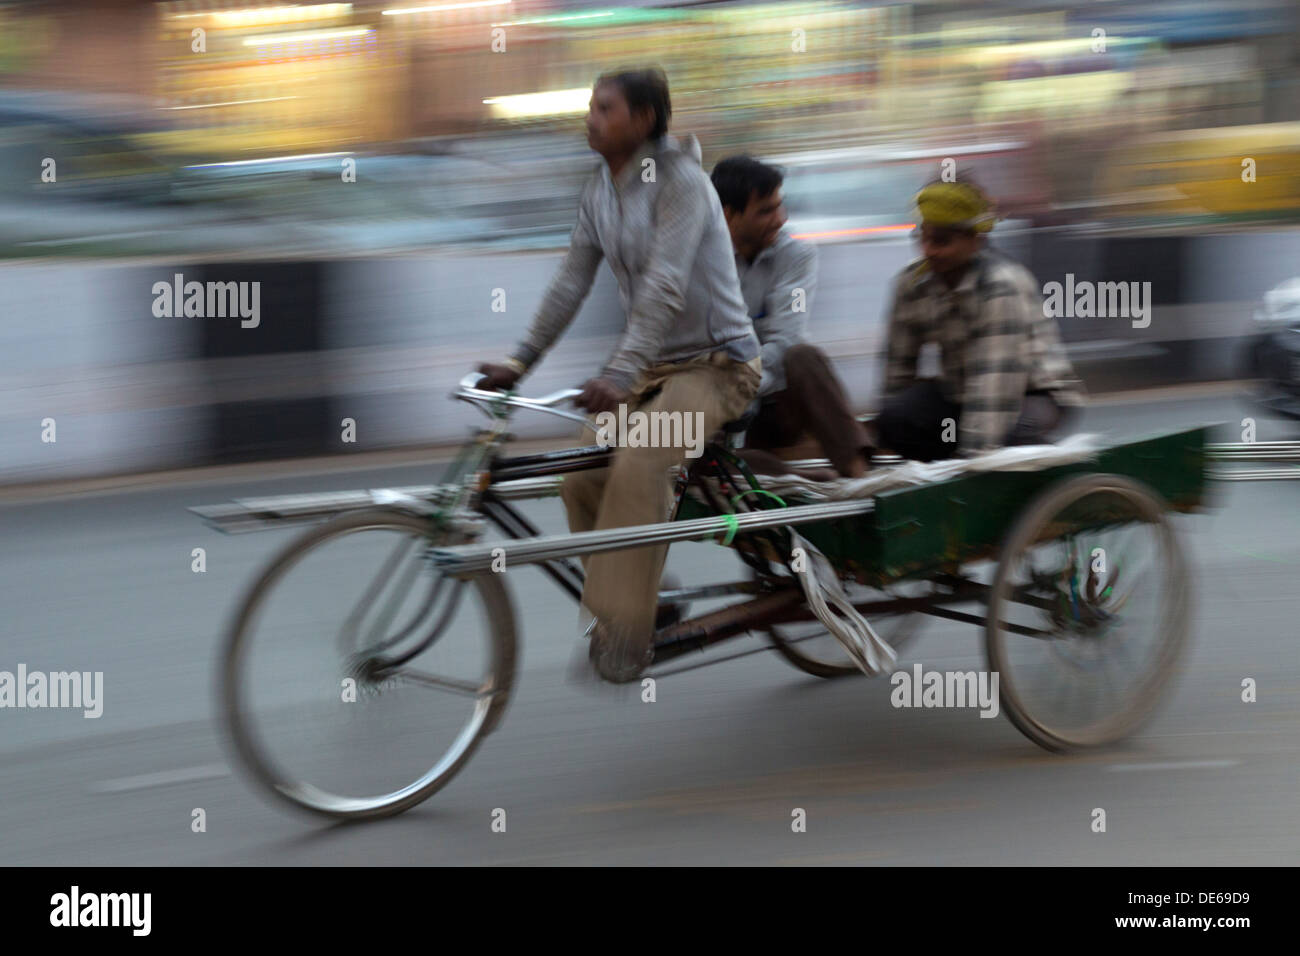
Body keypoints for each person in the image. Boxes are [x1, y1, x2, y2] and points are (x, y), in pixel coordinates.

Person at [476, 68, 761, 683]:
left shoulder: (681, 183)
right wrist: (520, 361)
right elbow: (571, 281)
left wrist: (619, 371)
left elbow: (663, 286)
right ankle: (640, 606)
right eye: (590, 107)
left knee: (640, 461)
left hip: (720, 367)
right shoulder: (600, 191)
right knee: (580, 474)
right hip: (654, 370)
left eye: (605, 108)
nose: (590, 117)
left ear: (644, 120)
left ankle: (626, 634)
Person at [875, 176, 1084, 461]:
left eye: (941, 241)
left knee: (1012, 436)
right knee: (897, 418)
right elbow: (896, 373)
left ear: (975, 240)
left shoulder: (1001, 286)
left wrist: (972, 467)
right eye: (922, 238)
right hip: (961, 393)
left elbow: (994, 386)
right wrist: (892, 441)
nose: (928, 250)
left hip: (1032, 393)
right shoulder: (911, 285)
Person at [710, 155, 872, 479]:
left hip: (772, 400)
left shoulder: (797, 257)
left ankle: (860, 478)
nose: (780, 219)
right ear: (728, 216)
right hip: (720, 413)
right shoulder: (698, 266)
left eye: (780, 207)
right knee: (723, 464)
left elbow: (787, 338)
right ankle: (807, 485)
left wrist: (745, 382)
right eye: (766, 211)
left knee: (802, 356)